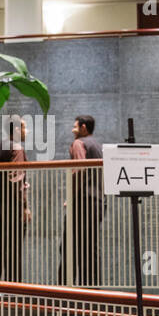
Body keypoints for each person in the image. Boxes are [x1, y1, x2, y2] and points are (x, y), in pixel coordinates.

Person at [59, 114, 104, 287]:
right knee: (89, 248)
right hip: (97, 201)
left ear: (84, 128)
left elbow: (78, 170)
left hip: (83, 201)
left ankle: (65, 290)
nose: (73, 130)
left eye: (75, 127)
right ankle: (92, 290)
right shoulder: (97, 146)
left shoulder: (79, 143)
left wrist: (69, 198)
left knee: (69, 246)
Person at [0, 115, 31, 283]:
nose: (27, 131)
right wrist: (24, 206)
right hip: (14, 205)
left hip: (0, 203)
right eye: (25, 128)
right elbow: (16, 178)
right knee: (14, 247)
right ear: (17, 130)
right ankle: (13, 288)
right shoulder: (16, 148)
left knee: (4, 245)